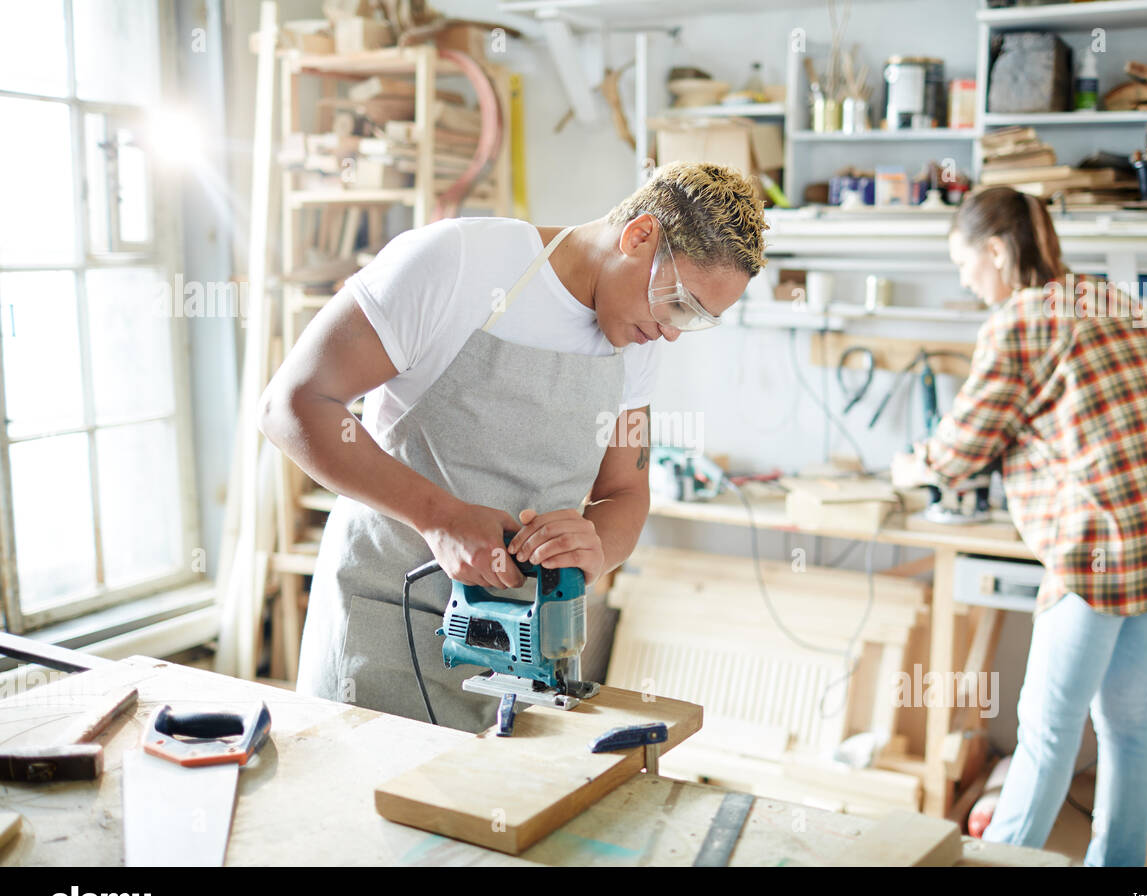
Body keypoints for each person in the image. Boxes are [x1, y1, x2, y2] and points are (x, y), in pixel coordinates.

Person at [260, 161, 767, 731]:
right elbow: (293, 406)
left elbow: (625, 490)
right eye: (678, 302)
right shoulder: (455, 265)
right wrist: (439, 516)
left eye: (697, 320)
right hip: (387, 624)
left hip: (522, 650)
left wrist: (597, 546)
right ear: (639, 236)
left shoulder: (639, 338)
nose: (673, 331)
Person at [891, 185, 1147, 866]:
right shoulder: (1119, 303)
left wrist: (911, 466)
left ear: (995, 250)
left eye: (964, 264)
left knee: (1046, 731)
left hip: (1102, 544)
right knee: (1128, 721)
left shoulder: (1020, 319)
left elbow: (963, 448)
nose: (966, 279)